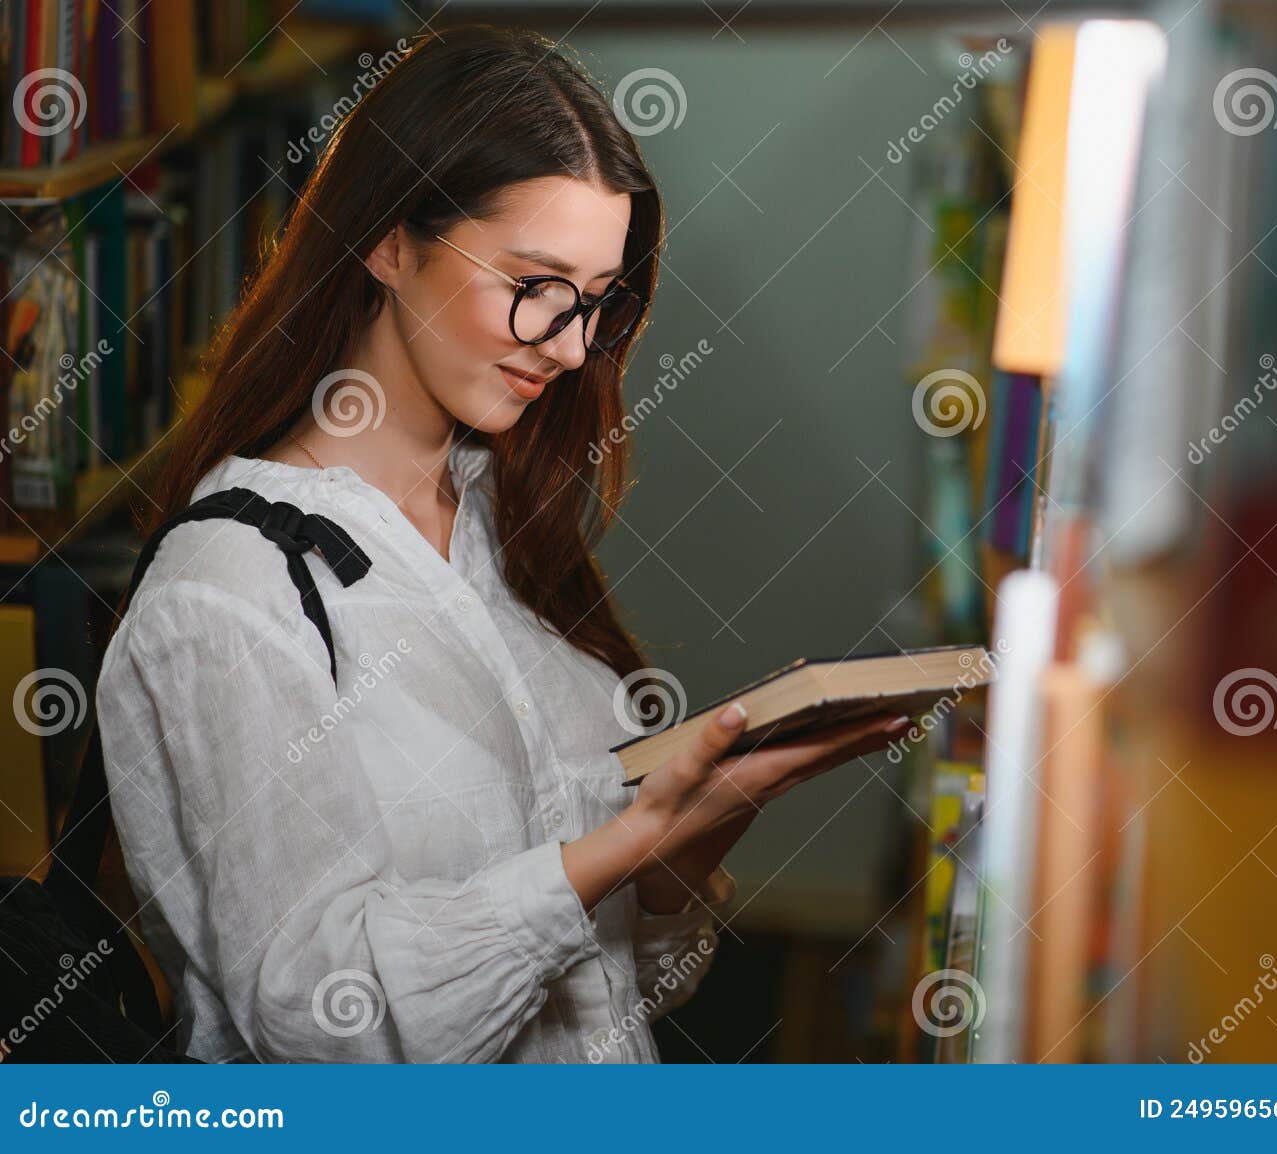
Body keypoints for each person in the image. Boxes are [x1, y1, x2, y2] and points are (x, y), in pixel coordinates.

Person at [95, 25, 910, 1063]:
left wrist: (688, 834)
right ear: (390, 243)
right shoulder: (228, 594)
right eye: (534, 285)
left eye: (597, 303)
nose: (573, 347)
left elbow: (616, 985)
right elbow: (322, 1025)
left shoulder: (496, 518)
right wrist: (623, 840)